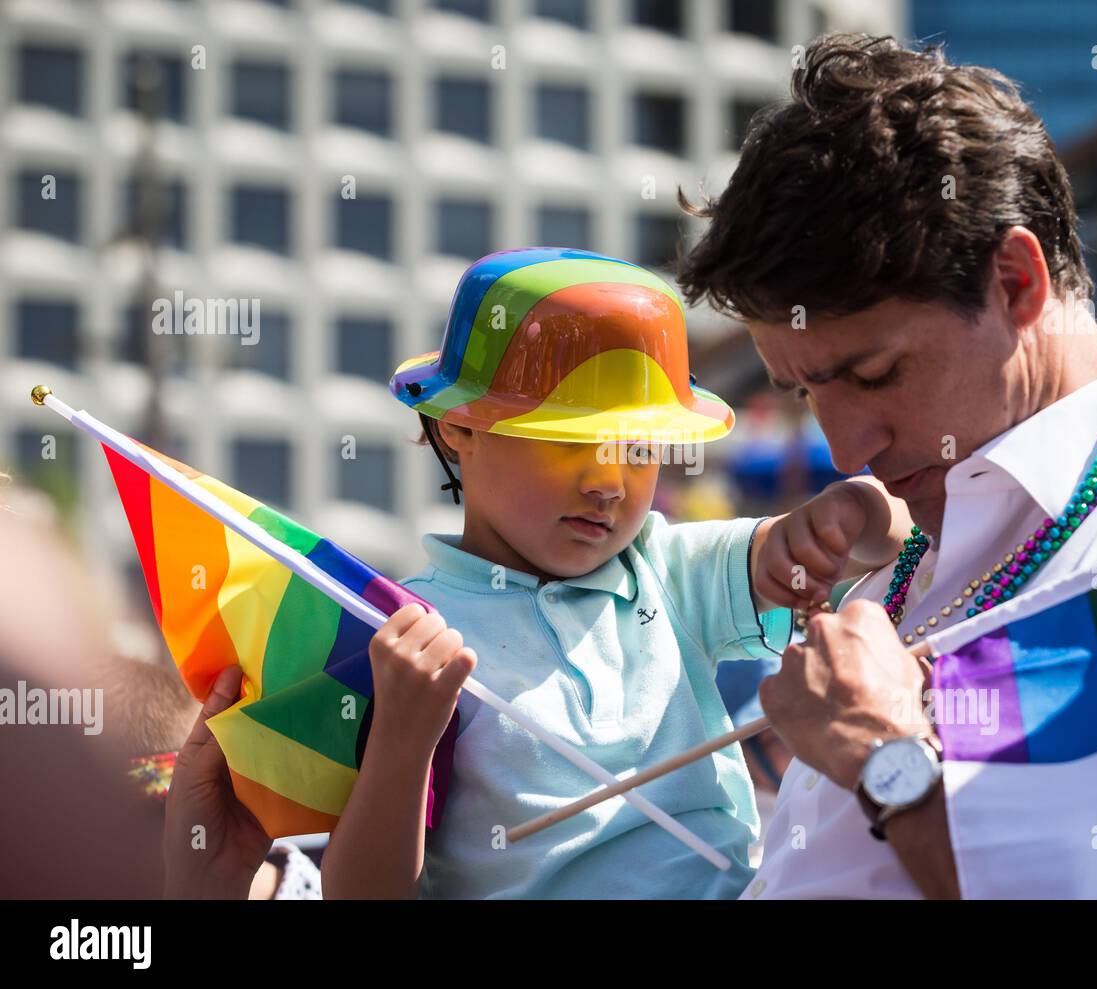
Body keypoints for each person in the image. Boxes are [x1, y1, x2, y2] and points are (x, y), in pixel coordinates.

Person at [673, 34, 1097, 898]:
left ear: (1017, 282)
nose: (846, 450)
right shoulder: (928, 537)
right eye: (804, 392)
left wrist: (886, 761)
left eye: (874, 374)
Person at [320, 248, 913, 899]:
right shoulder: (403, 637)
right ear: (459, 425)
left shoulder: (672, 570)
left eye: (638, 447)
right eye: (569, 436)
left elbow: (893, 540)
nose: (607, 482)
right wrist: (402, 743)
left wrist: (851, 510)